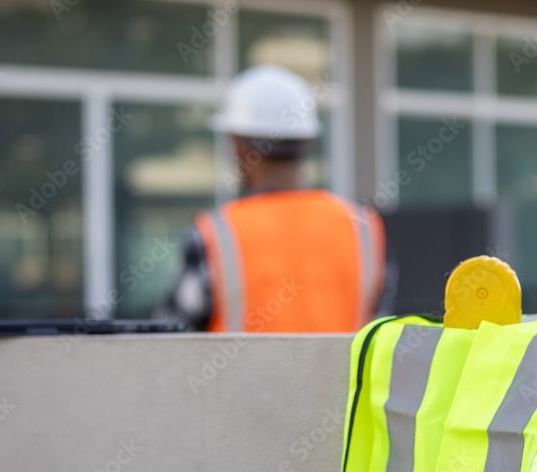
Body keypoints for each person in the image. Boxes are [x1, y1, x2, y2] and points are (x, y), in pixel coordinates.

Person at [157, 65, 396, 332]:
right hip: (341, 377)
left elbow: (174, 341)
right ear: (309, 141)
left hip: (241, 376)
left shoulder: (211, 232)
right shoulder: (363, 227)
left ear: (237, 144)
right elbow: (380, 331)